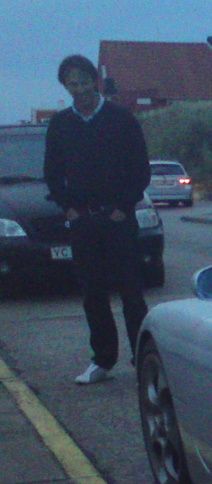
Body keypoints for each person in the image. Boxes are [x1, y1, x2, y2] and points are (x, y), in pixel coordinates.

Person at [43, 54, 151, 385]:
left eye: (83, 81)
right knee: (93, 295)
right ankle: (102, 360)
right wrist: (69, 210)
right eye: (71, 83)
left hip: (119, 220)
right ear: (65, 86)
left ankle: (143, 360)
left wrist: (124, 206)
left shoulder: (121, 120)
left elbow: (141, 170)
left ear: (94, 81)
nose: (79, 89)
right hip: (83, 223)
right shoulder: (60, 125)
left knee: (132, 293)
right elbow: (52, 173)